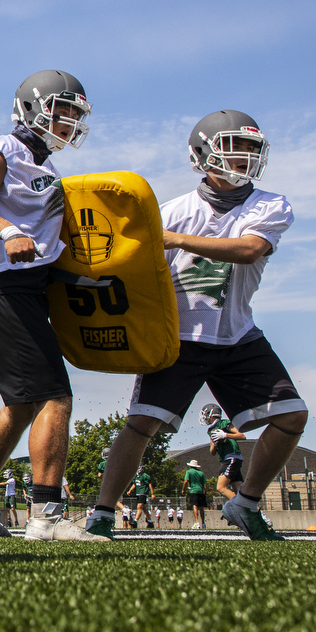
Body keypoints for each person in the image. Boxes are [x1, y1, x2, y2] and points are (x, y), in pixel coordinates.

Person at [85, 112, 302, 542]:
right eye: (233, 146)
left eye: (251, 148)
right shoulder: (169, 211)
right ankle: (103, 512)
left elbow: (249, 248)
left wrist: (177, 239)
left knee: (291, 416)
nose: (245, 156)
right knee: (141, 425)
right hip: (178, 338)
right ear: (202, 153)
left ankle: (246, 502)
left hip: (237, 334)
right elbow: (141, 281)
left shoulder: (270, 204)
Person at [0, 71, 106, 543]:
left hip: (24, 289)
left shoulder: (48, 171)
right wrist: (8, 231)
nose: (71, 121)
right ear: (32, 108)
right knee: (56, 396)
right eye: (64, 110)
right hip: (0, 287)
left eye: (77, 114)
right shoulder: (3, 149)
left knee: (21, 405)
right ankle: (46, 515)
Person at [205, 407, 250, 502]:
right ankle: (256, 512)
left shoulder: (225, 423)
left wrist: (225, 435)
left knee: (221, 487)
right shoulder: (211, 430)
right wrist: (216, 443)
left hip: (232, 457)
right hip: (226, 459)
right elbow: (212, 452)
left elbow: (242, 436)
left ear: (211, 415)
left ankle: (241, 507)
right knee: (239, 491)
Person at [184, 460, 208, 528]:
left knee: (195, 506)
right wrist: (205, 492)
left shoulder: (188, 472)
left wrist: (183, 489)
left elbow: (186, 481)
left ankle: (197, 522)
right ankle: (203, 523)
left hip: (193, 490)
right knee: (201, 507)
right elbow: (205, 484)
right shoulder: (201, 473)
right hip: (201, 491)